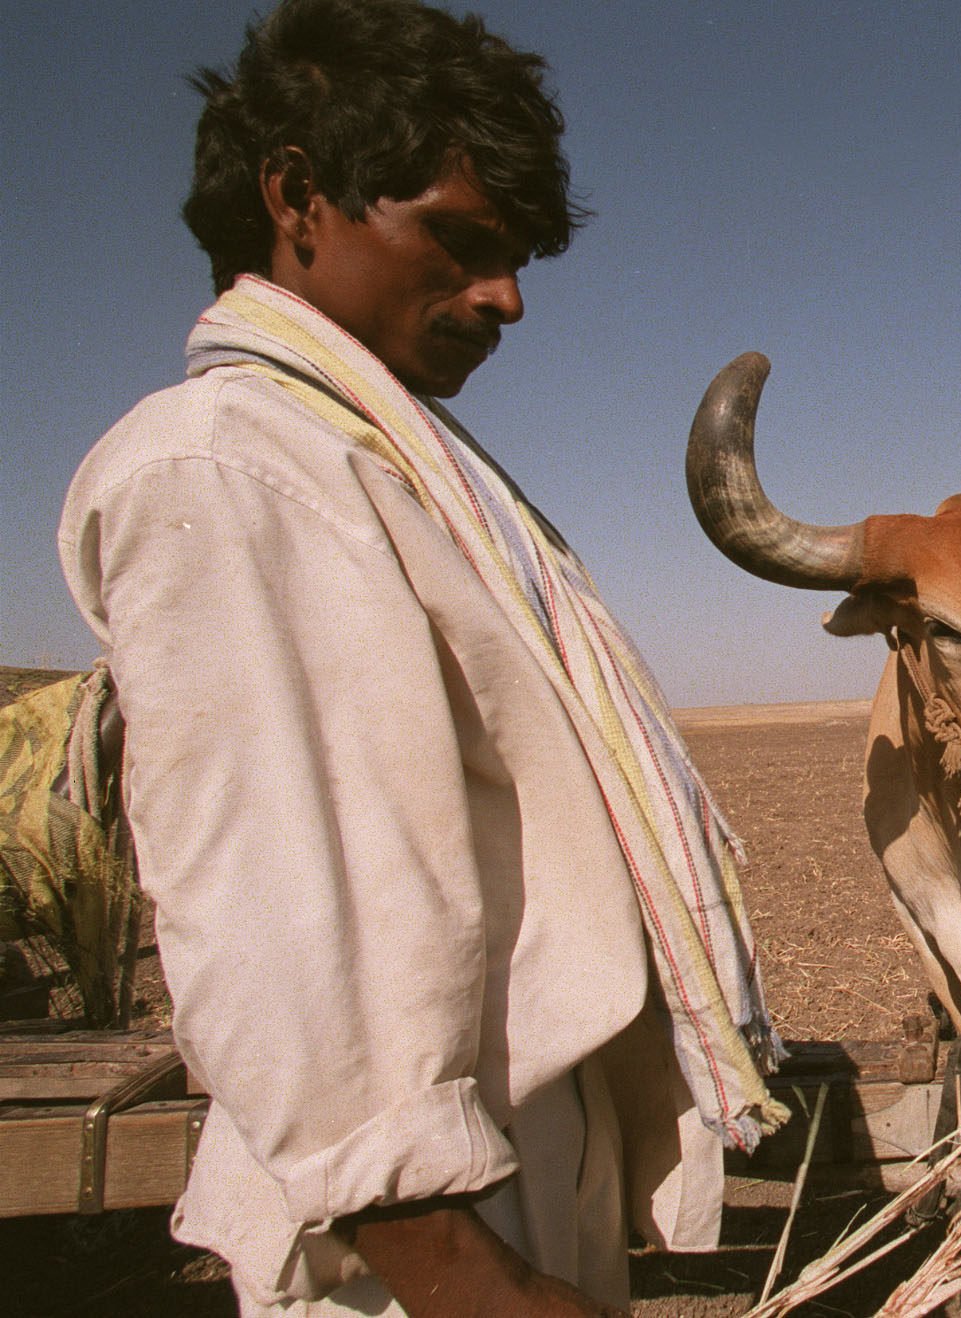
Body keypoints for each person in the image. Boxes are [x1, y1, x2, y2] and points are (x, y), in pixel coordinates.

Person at [57, 2, 787, 1313]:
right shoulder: (223, 463)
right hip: (405, 1232)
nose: (507, 296)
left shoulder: (386, 461)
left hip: (491, 1157)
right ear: (299, 195)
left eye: (515, 260)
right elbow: (272, 893)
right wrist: (463, 1271)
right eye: (460, 239)